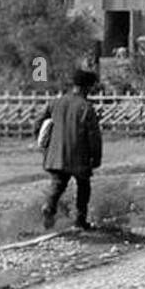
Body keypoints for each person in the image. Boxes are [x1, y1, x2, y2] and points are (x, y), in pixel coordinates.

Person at [38, 69, 103, 231]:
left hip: (55, 155)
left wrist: (45, 145)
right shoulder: (86, 107)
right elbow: (94, 136)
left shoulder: (54, 103)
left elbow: (38, 124)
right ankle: (80, 220)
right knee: (83, 186)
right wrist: (96, 158)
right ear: (85, 87)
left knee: (57, 184)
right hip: (78, 156)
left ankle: (49, 207)